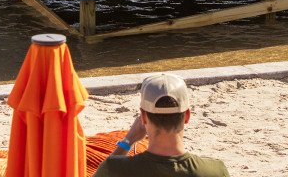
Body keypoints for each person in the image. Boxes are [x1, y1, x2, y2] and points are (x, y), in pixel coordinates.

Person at [96, 72, 230, 176]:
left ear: (143, 117)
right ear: (187, 116)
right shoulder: (214, 171)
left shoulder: (114, 169)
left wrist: (128, 140)